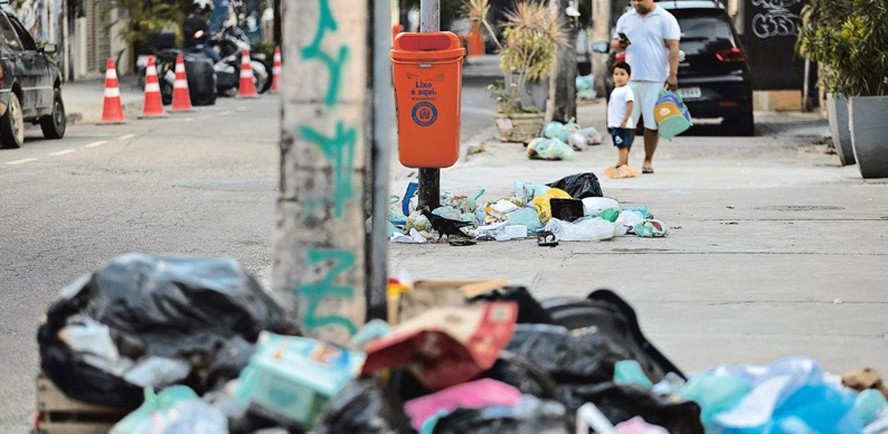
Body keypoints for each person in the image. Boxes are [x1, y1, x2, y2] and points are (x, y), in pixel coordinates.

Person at [611, 0, 681, 174]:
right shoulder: (626, 18)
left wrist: (672, 75)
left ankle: (648, 161)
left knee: (651, 123)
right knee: (626, 122)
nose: (636, 3)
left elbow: (674, 47)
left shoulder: (665, 18)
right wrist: (618, 45)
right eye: (633, 0)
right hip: (630, 80)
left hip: (655, 78)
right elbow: (614, 43)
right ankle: (623, 162)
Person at [607, 62, 636, 170]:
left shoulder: (627, 90)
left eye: (622, 74)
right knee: (620, 145)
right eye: (616, 74)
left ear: (629, 76)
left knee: (622, 145)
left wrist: (625, 120)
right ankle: (623, 164)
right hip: (616, 123)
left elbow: (630, 105)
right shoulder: (616, 90)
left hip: (622, 124)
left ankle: (622, 164)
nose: (619, 77)